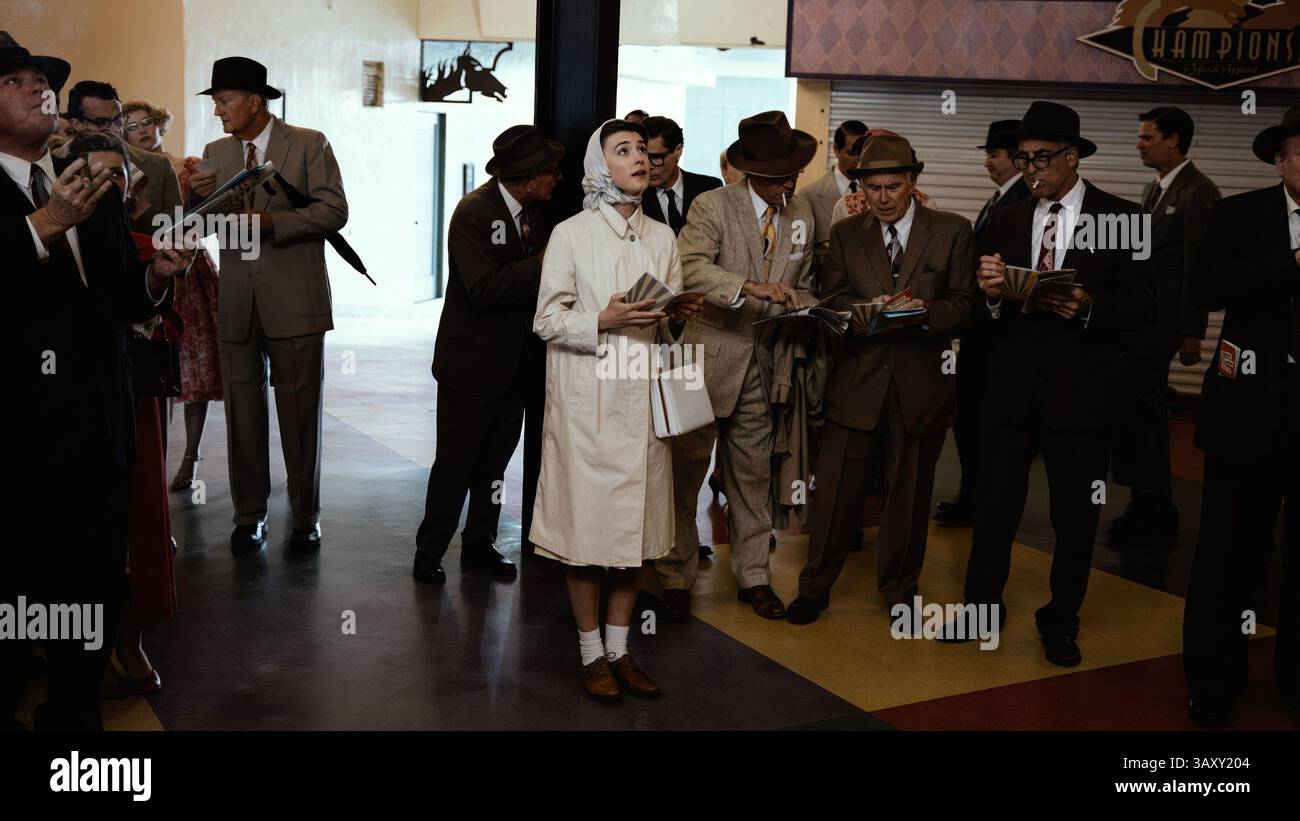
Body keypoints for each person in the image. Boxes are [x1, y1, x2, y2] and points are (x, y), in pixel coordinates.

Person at [2, 32, 191, 729]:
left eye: (40, 78)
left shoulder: (83, 182)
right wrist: (45, 224)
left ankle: (75, 718)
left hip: (99, 428)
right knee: (18, 597)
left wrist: (157, 276)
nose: (37, 87)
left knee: (91, 588)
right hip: (19, 440)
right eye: (14, 81)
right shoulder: (54, 200)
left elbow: (119, 295)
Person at [953, 101, 1156, 667]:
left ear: (1072, 156)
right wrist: (992, 296)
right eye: (1022, 159)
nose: (1031, 170)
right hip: (1010, 390)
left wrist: (1090, 306)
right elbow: (979, 307)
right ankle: (979, 608)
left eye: (1042, 158)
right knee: (994, 507)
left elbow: (1146, 308)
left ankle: (1061, 620)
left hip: (1082, 393)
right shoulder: (1007, 218)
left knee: (1075, 516)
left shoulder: (1121, 217)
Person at [529, 118, 702, 700]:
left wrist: (678, 314)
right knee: (586, 536)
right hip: (587, 402)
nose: (639, 160)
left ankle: (622, 651)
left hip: (643, 401)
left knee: (632, 541)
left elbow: (671, 327)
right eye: (622, 151)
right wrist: (603, 318)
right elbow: (546, 320)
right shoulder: (571, 234)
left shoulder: (662, 237)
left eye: (643, 152)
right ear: (600, 166)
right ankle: (589, 654)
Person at [787, 134, 975, 624]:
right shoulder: (848, 234)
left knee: (908, 499)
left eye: (894, 186)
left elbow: (966, 306)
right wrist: (864, 314)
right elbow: (831, 300)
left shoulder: (953, 230)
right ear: (861, 188)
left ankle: (899, 591)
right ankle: (815, 587)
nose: (884, 197)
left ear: (913, 182)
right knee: (833, 497)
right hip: (857, 382)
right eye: (874, 188)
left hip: (922, 387)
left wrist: (923, 312)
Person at [655, 110, 817, 622]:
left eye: (793, 173)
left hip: (767, 365)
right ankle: (674, 575)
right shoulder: (711, 206)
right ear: (751, 173)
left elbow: (807, 277)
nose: (789, 183)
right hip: (699, 359)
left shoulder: (803, 215)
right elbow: (689, 268)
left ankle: (754, 577)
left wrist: (805, 303)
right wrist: (749, 288)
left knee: (752, 476)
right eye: (779, 177)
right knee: (684, 475)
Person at [188, 56, 348, 555]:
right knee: (241, 412)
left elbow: (333, 211)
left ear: (255, 101)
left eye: (225, 100)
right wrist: (197, 201)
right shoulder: (215, 152)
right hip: (237, 301)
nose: (218, 110)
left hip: (295, 300)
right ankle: (248, 515)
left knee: (300, 413)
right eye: (214, 101)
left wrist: (273, 224)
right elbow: (206, 226)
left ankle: (305, 517)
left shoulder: (308, 142)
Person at [1182, 106, 1299, 727]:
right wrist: (1292, 266)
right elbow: (1206, 291)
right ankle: (1212, 680)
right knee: (1229, 555)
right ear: (1280, 160)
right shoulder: (1240, 214)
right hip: (1248, 409)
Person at [413, 125, 564, 584]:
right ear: (528, 178)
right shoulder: (474, 213)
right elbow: (481, 289)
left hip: (516, 365)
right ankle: (430, 551)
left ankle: (481, 544)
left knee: (496, 464)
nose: (557, 179)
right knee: (455, 463)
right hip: (471, 366)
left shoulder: (533, 212)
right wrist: (539, 264)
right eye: (551, 173)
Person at [64, 130, 176, 698]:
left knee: (135, 526)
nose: (108, 187)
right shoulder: (51, 228)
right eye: (94, 176)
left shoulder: (137, 237)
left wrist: (158, 276)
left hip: (135, 398)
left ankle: (127, 640)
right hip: (69, 403)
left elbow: (169, 323)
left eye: (117, 176)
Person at [1104, 106, 1221, 552]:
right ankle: (1146, 501)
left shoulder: (1198, 192)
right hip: (1145, 319)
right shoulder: (1154, 189)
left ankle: (1154, 507)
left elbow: (1200, 268)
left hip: (1167, 323)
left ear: (1173, 140)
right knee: (1138, 409)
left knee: (1142, 408)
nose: (1139, 144)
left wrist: (1193, 331)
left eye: (1147, 137)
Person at [122, 98, 224, 494]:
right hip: (150, 273)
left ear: (161, 124)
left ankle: (191, 456)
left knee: (195, 370)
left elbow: (208, 219)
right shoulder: (125, 172)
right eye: (131, 126)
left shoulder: (187, 167)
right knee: (156, 371)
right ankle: (156, 460)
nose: (143, 130)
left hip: (191, 274)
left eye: (148, 122)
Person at [937, 119, 1031, 525]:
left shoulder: (1019, 203)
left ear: (1015, 159)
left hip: (997, 332)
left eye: (993, 155)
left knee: (982, 421)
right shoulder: (1001, 198)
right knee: (972, 418)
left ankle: (979, 500)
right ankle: (974, 494)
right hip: (981, 329)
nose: (987, 163)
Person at [66, 80, 182, 236]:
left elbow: (177, 232)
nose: (115, 130)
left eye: (118, 120)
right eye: (102, 122)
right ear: (77, 124)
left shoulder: (159, 166)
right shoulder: (54, 161)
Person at [640, 115, 721, 235]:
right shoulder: (635, 198)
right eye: (643, 157)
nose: (648, 166)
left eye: (656, 158)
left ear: (678, 151)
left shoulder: (710, 188)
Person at [803, 119, 867, 251]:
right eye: (851, 153)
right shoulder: (809, 195)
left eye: (862, 153)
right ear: (836, 150)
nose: (858, 159)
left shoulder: (880, 192)